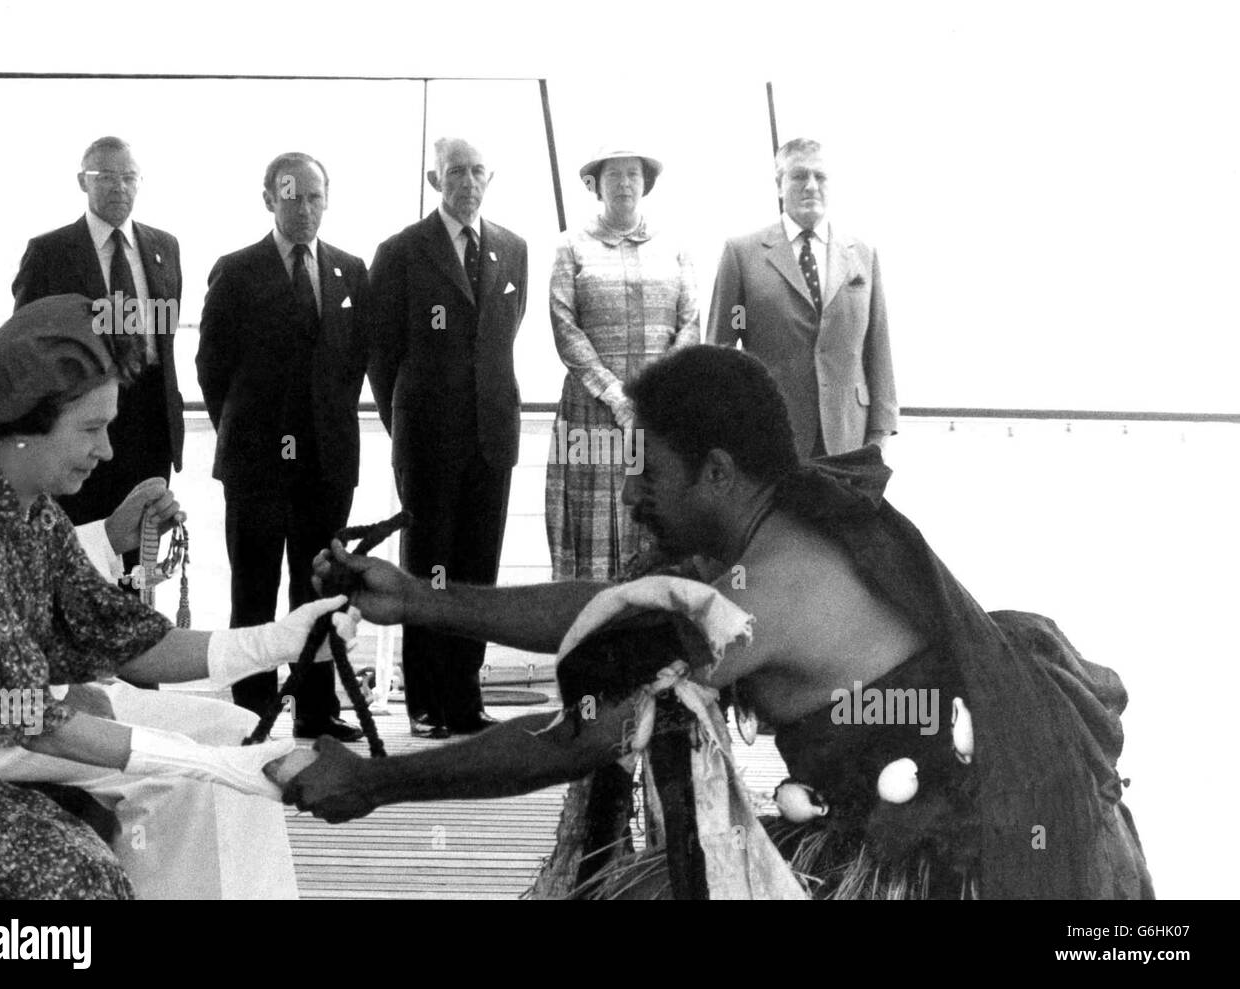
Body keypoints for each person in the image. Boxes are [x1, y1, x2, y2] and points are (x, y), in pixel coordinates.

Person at [287, 345, 1153, 900]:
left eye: (650, 475)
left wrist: (378, 781)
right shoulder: (785, 522)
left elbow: (578, 739)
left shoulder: (760, 598)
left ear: (718, 473)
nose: (631, 495)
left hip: (952, 867)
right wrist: (417, 599)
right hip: (916, 818)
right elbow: (613, 612)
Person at [0, 293, 349, 899]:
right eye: (91, 428)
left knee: (238, 735)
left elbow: (125, 638)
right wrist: (209, 764)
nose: (107, 450)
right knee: (87, 870)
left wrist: (279, 640)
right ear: (27, 428)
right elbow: (34, 724)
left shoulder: (29, 510)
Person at [196, 152, 372, 741]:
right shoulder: (237, 270)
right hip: (258, 464)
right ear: (269, 199)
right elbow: (211, 368)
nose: (305, 207)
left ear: (328, 200)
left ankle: (316, 712)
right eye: (292, 196)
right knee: (254, 590)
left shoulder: (351, 271)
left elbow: (354, 365)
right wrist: (247, 432)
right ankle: (250, 714)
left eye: (315, 196)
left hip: (327, 463)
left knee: (318, 590)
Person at [367, 137, 528, 739]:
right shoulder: (403, 251)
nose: (467, 181)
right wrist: (405, 425)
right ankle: (426, 702)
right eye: (455, 171)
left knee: (476, 574)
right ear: (436, 180)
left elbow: (502, 339)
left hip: (493, 439)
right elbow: (381, 355)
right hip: (427, 441)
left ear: (491, 177)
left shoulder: (513, 249)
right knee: (427, 571)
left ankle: (466, 696)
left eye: (477, 170)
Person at [11, 137, 185, 574]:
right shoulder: (50, 252)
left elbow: (164, 337)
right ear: (82, 182)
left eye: (129, 178)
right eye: (105, 177)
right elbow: (26, 344)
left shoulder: (165, 247)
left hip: (149, 423)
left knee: (140, 559)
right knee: (82, 551)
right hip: (79, 424)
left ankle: (140, 639)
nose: (119, 188)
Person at [546, 147, 700, 581]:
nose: (625, 183)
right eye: (613, 175)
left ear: (645, 183)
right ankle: (588, 631)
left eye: (633, 174)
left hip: (660, 415)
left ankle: (655, 633)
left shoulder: (675, 247)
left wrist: (656, 396)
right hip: (590, 414)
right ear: (596, 184)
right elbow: (564, 326)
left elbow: (690, 324)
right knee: (590, 525)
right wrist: (617, 398)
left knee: (657, 514)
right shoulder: (570, 246)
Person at [708, 138, 897, 461]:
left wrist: (880, 435)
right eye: (798, 176)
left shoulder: (862, 256)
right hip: (769, 438)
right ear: (780, 185)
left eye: (820, 177)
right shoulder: (743, 256)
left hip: (850, 438)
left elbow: (877, 346)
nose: (811, 186)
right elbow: (724, 349)